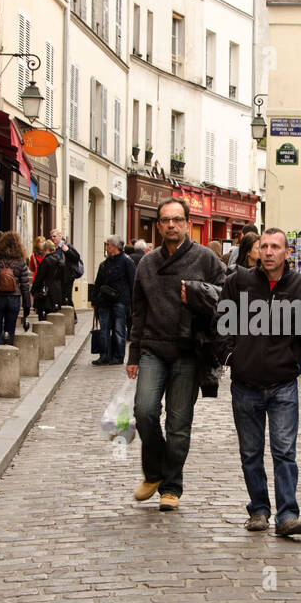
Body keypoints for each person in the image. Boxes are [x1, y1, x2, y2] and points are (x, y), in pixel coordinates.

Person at [217, 228, 301, 537]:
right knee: (250, 452)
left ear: (287, 252)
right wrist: (230, 357)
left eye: (275, 247)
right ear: (256, 251)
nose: (269, 252)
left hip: (283, 383)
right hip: (246, 383)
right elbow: (222, 325)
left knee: (284, 451)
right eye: (264, 246)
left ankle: (288, 514)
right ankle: (259, 510)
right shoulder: (238, 283)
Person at [127, 198, 228, 511]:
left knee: (178, 424)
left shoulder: (205, 259)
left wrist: (198, 292)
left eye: (177, 219)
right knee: (144, 411)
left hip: (188, 351)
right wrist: (133, 353)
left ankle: (171, 486)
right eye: (165, 220)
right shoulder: (147, 263)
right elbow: (138, 311)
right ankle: (155, 471)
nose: (171, 225)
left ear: (187, 223)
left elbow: (227, 297)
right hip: (153, 348)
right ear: (158, 225)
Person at [92, 235, 135, 365]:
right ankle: (104, 355)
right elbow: (98, 283)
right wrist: (95, 301)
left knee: (119, 330)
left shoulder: (127, 261)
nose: (106, 247)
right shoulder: (105, 263)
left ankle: (118, 356)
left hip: (120, 301)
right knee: (104, 329)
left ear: (115, 246)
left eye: (108, 244)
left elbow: (132, 282)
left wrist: (132, 303)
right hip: (104, 302)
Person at [48, 230, 83, 323]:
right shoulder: (51, 248)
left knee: (67, 297)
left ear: (60, 236)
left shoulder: (67, 246)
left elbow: (76, 257)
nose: (52, 238)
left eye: (54, 236)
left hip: (67, 277)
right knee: (59, 297)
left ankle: (73, 317)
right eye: (51, 236)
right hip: (56, 277)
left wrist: (67, 251)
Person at [32, 241, 64, 321]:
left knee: (43, 319)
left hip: (46, 294)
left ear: (46, 250)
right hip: (57, 292)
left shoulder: (46, 261)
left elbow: (39, 278)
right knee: (54, 319)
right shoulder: (60, 261)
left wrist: (33, 290)